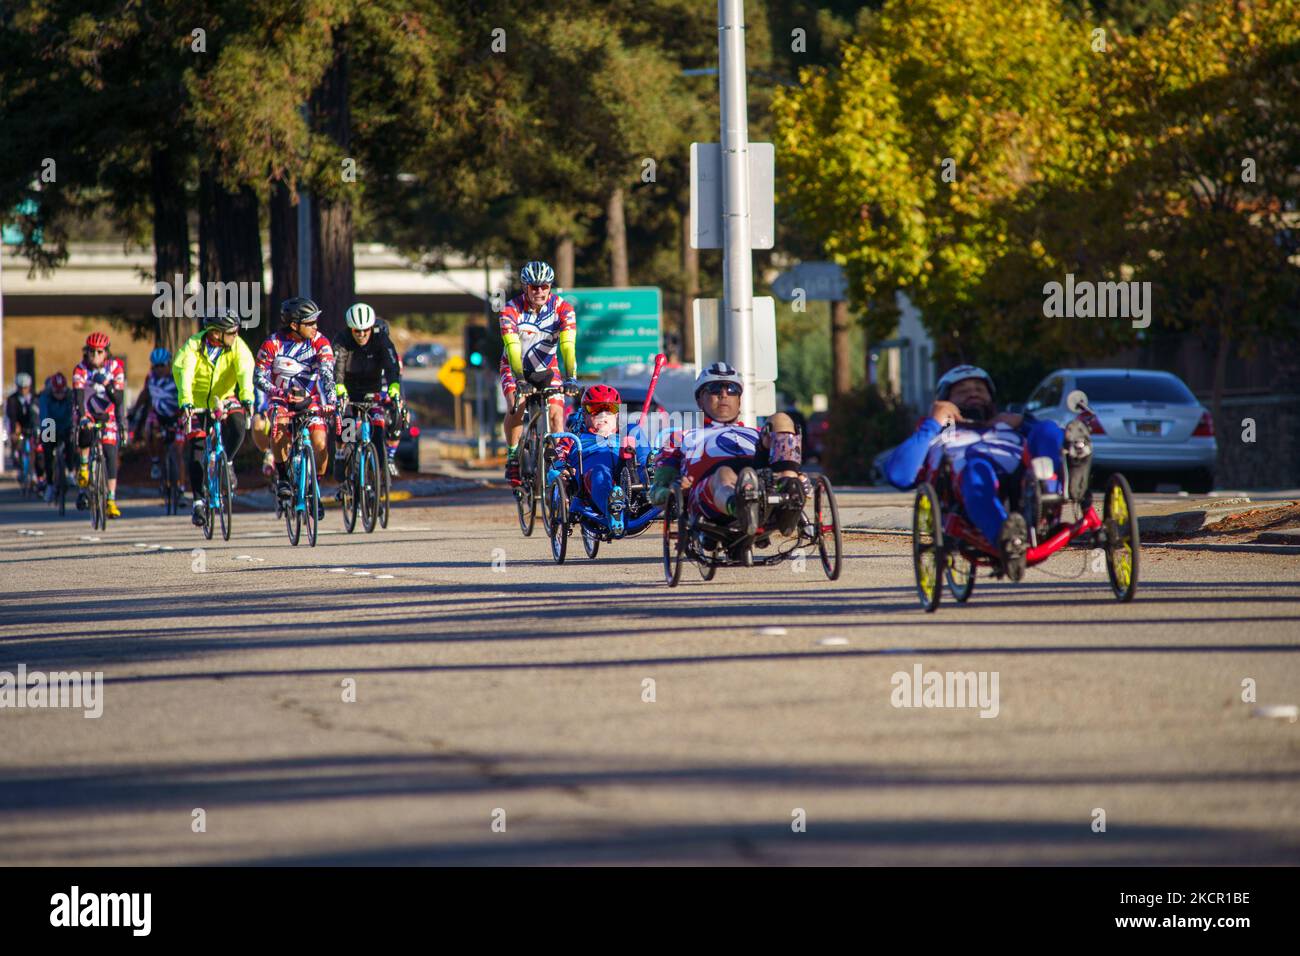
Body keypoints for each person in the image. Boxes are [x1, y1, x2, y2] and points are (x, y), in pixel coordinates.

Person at [884, 364, 1069, 581]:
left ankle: (1057, 488)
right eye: (962, 391)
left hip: (1027, 478)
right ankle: (1005, 536)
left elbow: (1040, 439)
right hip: (972, 482)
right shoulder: (941, 433)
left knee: (1046, 429)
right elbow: (899, 475)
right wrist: (933, 423)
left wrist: (1024, 423)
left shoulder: (1009, 423)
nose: (973, 393)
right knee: (978, 470)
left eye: (980, 390)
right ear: (945, 401)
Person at [649, 362, 807, 537]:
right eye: (715, 388)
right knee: (724, 473)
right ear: (700, 399)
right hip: (710, 496)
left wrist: (793, 474)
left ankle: (790, 493)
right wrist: (675, 490)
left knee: (781, 419)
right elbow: (656, 492)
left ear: (739, 399)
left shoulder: (758, 433)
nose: (724, 394)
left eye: (732, 389)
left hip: (761, 484)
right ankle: (742, 507)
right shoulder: (680, 437)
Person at [499, 260, 579, 485]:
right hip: (515, 368)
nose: (540, 291)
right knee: (518, 404)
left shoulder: (564, 309)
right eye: (535, 287)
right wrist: (519, 378)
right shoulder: (510, 310)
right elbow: (513, 348)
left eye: (544, 286)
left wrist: (571, 376)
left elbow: (567, 346)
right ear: (525, 287)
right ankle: (513, 456)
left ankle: (558, 463)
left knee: (555, 414)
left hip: (547, 369)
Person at [173, 311, 256, 527]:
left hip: (225, 396)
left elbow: (245, 369)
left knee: (238, 424)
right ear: (216, 333)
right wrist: (187, 402)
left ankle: (227, 462)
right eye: (232, 332)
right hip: (197, 400)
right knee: (196, 449)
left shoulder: (236, 345)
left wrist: (247, 397)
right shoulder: (193, 346)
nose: (236, 335)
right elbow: (184, 372)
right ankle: (199, 501)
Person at [255, 296, 336, 516]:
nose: (315, 327)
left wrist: (332, 401)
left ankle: (315, 488)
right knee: (279, 426)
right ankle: (282, 478)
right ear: (294, 325)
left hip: (310, 400)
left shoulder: (320, 342)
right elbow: (259, 378)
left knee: (320, 444)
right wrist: (279, 393)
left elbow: (328, 375)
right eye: (310, 323)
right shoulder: (272, 344)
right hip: (281, 399)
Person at [552, 384, 658, 535]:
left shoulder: (626, 431)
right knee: (600, 472)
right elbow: (558, 456)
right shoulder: (575, 437)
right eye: (595, 410)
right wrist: (562, 470)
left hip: (628, 471)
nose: (603, 416)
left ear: (617, 413)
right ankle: (613, 510)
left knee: (634, 434)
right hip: (591, 473)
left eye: (610, 409)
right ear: (585, 413)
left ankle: (651, 476)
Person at [333, 302, 403, 479]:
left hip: (373, 390)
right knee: (347, 425)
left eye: (366, 330)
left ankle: (377, 481)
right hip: (348, 389)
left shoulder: (381, 339)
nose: (362, 334)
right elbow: (337, 366)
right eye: (357, 331)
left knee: (378, 433)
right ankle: (341, 456)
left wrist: (394, 386)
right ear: (351, 329)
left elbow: (391, 364)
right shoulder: (342, 340)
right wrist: (339, 387)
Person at [72, 332, 127, 518]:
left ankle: (111, 500)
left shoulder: (116, 368)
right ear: (86, 352)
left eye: (99, 352)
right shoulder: (80, 369)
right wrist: (82, 416)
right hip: (86, 412)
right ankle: (84, 466)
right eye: (91, 351)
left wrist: (106, 383)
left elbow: (118, 399)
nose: (95, 356)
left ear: (106, 352)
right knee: (85, 430)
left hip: (107, 415)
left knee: (111, 452)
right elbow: (78, 396)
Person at [128, 347, 183, 484]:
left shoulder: (177, 376)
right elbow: (145, 394)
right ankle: (156, 461)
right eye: (155, 366)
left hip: (177, 413)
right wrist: (135, 410)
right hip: (157, 414)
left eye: (161, 366)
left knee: (178, 451)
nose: (158, 369)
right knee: (150, 431)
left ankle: (180, 487)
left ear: (169, 364)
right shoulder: (150, 378)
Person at [37, 372, 76, 501]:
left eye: (62, 392)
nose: (59, 395)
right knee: (47, 452)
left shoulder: (70, 396)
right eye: (56, 392)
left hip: (66, 424)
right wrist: (46, 431)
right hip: (50, 424)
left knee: (72, 443)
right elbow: (44, 415)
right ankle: (49, 484)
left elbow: (74, 414)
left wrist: (72, 426)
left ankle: (70, 471)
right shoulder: (45, 397)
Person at [4, 371, 39, 477]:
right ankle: (16, 455)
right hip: (17, 423)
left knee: (34, 446)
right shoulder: (12, 399)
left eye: (26, 387)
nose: (23, 390)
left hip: (30, 423)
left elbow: (36, 415)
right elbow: (12, 416)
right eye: (21, 388)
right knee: (16, 438)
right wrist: (14, 431)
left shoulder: (34, 397)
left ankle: (33, 471)